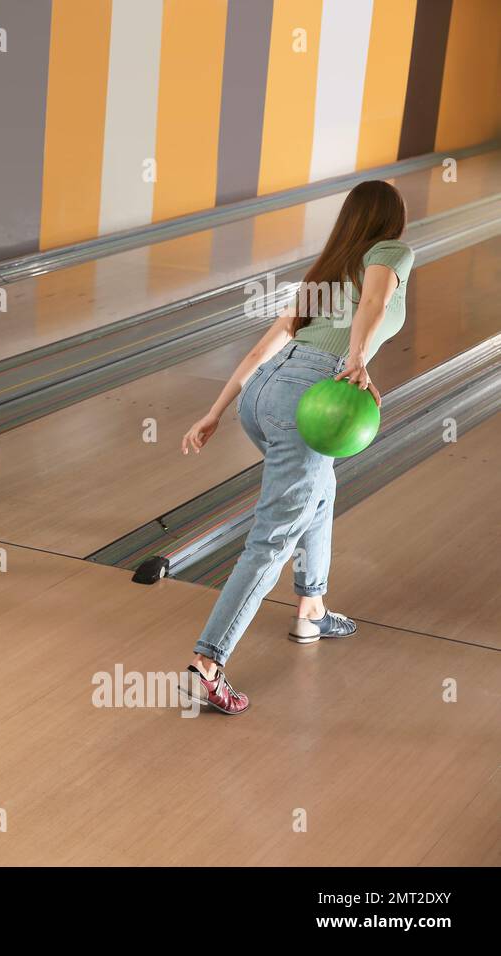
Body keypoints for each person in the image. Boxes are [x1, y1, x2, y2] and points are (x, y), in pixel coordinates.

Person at [179, 180, 414, 714]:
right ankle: (207, 665)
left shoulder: (330, 267)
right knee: (272, 538)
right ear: (390, 219)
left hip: (263, 395)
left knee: (320, 490)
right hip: (310, 400)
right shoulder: (392, 251)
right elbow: (375, 301)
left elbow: (270, 343)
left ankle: (311, 606)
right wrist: (357, 359)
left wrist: (218, 410)